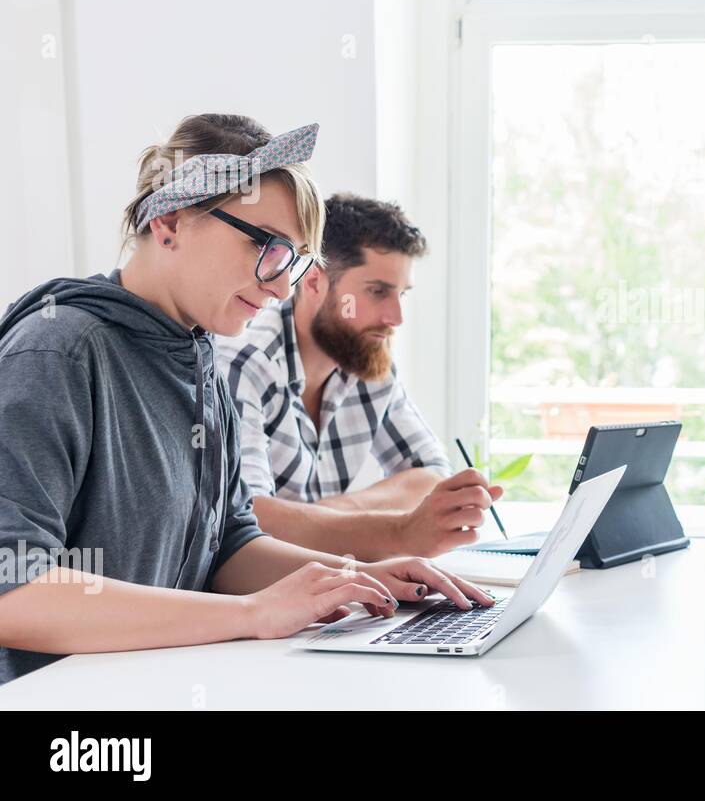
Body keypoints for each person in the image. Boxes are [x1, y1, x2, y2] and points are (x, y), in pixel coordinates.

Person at [0, 114, 493, 687]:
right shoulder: (57, 352)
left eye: (296, 260)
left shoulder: (199, 357)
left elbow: (230, 545)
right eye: (269, 247)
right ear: (169, 222)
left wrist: (361, 575)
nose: (283, 287)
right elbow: (15, 592)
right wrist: (252, 614)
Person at [216, 193, 499, 560]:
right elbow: (250, 522)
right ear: (314, 281)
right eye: (377, 292)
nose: (395, 318)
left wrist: (314, 518)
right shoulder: (243, 364)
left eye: (401, 295)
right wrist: (392, 526)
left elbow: (429, 477)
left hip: (334, 588)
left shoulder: (367, 359)